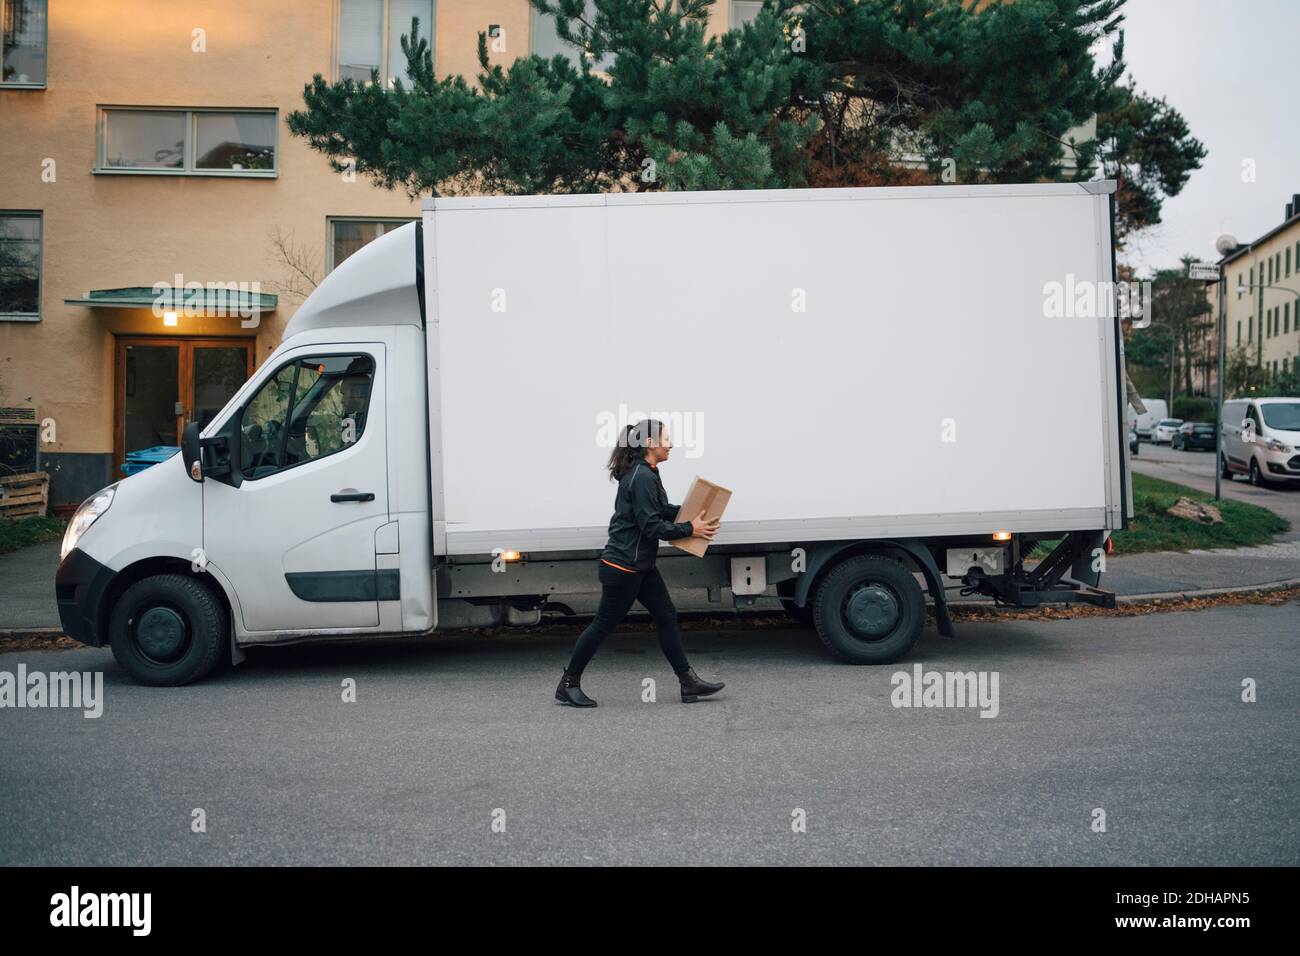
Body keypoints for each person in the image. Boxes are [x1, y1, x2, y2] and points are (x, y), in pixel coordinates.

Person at [555, 419, 725, 708]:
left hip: (640, 566)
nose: (670, 443)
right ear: (650, 444)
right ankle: (568, 684)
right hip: (623, 568)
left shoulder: (647, 473)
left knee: (666, 617)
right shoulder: (642, 477)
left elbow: (658, 511)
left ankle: (688, 682)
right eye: (666, 438)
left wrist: (691, 514)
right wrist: (690, 530)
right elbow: (651, 526)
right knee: (602, 626)